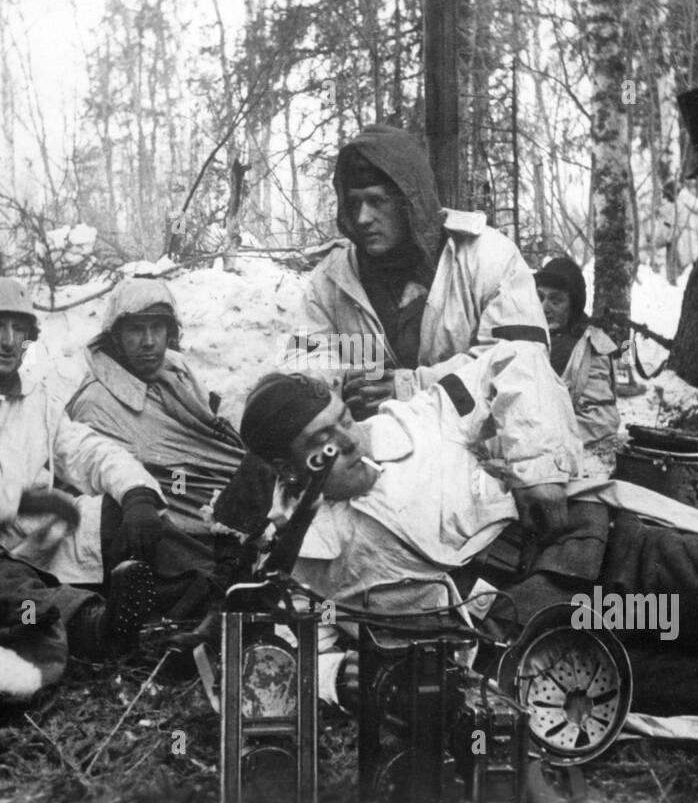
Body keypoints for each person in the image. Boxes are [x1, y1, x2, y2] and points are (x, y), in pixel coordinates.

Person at [237, 344, 698, 733]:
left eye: (342, 420)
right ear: (286, 466)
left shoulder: (412, 419)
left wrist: (536, 469)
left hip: (593, 553)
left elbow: (517, 361)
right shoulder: (303, 550)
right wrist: (337, 681)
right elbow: (266, 657)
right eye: (322, 444)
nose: (350, 444)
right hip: (537, 641)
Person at [0, 277, 212, 704]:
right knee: (16, 597)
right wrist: (21, 500)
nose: (10, 342)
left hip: (30, 540)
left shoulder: (34, 396)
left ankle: (204, 599)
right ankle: (103, 628)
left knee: (125, 519)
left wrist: (136, 492)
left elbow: (86, 449)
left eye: (20, 331)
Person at [295, 124, 562, 423]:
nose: (363, 218)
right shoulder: (332, 278)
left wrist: (410, 387)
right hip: (375, 449)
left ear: (410, 201)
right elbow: (302, 357)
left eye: (376, 201)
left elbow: (521, 363)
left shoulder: (489, 257)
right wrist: (342, 382)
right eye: (354, 203)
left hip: (476, 450)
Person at [66, 278, 245, 538]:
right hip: (171, 516)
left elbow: (207, 425)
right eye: (136, 330)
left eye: (157, 328)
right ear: (116, 336)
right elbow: (103, 476)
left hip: (209, 486)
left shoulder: (175, 368)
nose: (149, 341)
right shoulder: (95, 402)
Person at [534, 257, 621, 451]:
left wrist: (541, 440)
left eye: (556, 300)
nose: (544, 307)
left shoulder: (588, 349)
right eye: (539, 297)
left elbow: (601, 421)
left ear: (574, 305)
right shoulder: (528, 336)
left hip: (568, 455)